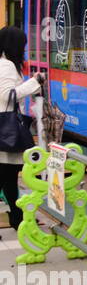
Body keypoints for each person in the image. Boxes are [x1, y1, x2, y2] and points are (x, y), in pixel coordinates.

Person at [0, 26, 44, 230]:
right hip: (4, 129)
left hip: (3, 129)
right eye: (23, 45)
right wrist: (34, 82)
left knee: (8, 177)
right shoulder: (6, 65)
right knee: (7, 175)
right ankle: (18, 217)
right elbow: (7, 95)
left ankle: (17, 217)